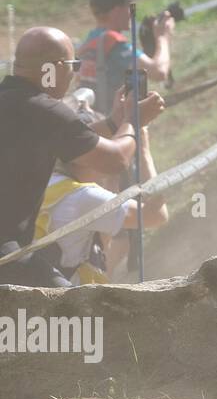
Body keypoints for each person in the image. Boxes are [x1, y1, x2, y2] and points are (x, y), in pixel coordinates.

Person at [0, 27, 164, 287]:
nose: (74, 74)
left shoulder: (14, 103)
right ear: (52, 69)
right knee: (82, 323)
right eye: (74, 65)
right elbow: (115, 160)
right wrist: (134, 121)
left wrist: (114, 122)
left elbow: (75, 140)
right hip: (7, 257)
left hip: (13, 253)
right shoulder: (44, 110)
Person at [36, 108, 170, 285]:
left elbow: (103, 250)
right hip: (70, 304)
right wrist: (144, 152)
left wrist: (110, 183)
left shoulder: (48, 182)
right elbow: (156, 216)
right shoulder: (83, 197)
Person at [78, 0, 173, 114]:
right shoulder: (113, 43)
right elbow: (159, 72)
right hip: (116, 128)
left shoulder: (89, 42)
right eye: (129, 6)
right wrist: (162, 36)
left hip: (98, 124)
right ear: (117, 10)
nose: (132, 12)